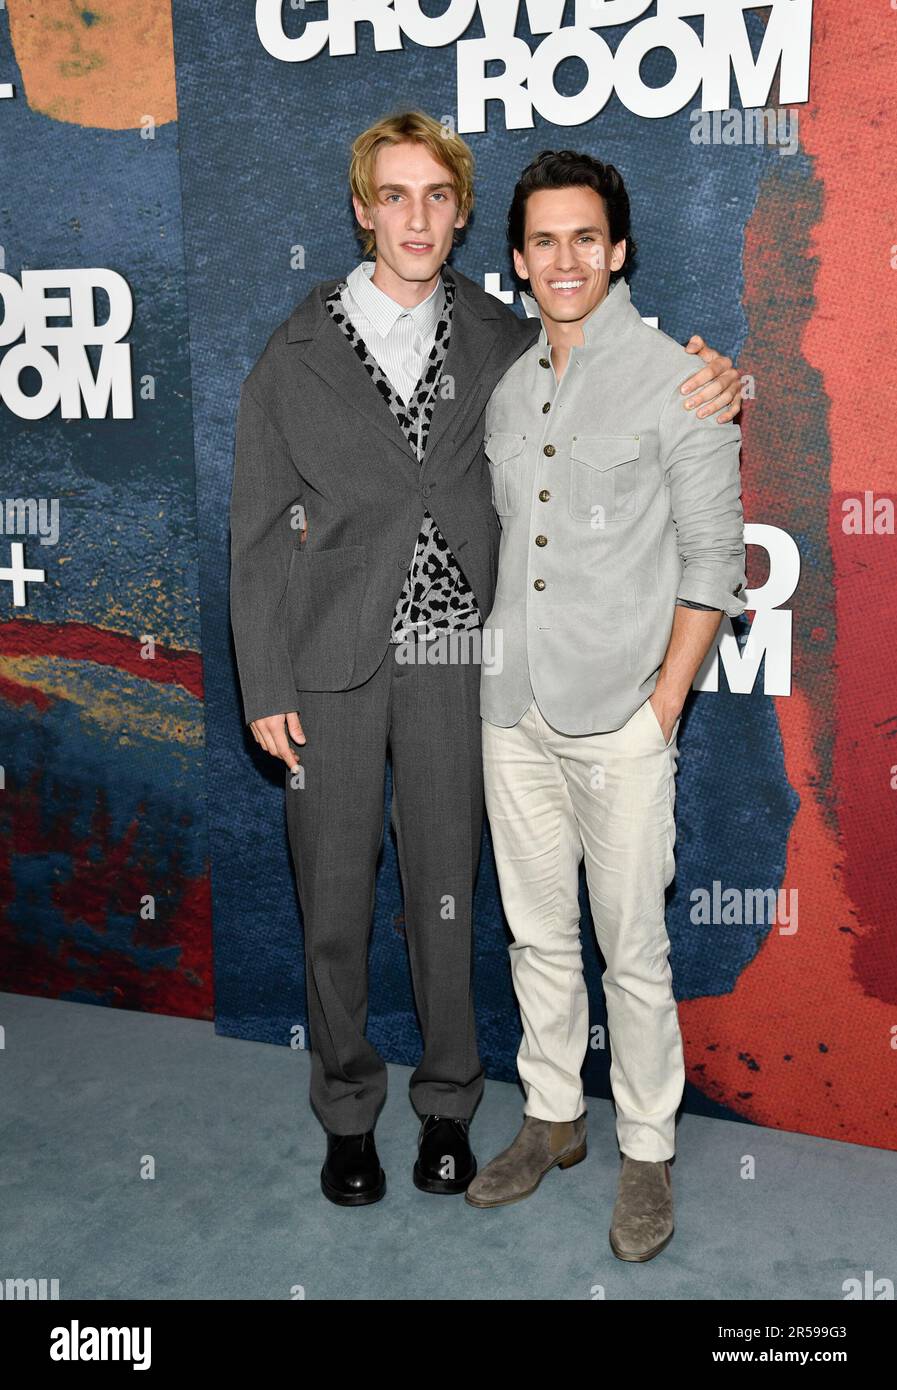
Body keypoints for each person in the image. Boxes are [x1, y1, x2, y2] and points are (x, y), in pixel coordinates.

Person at [228, 114, 743, 1207]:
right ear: (363, 208)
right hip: (326, 661)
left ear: (463, 218)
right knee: (332, 902)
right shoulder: (296, 349)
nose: (416, 217)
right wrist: (263, 682)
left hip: (461, 660)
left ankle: (450, 1105)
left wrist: (719, 378)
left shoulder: (501, 335)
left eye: (436, 197)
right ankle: (348, 1113)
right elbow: (261, 528)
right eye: (393, 195)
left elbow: (605, 360)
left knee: (447, 898)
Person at [465, 150, 747, 1263]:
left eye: (587, 237)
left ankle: (646, 1148)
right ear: (520, 260)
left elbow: (715, 558)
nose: (565, 258)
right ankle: (552, 1116)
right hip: (511, 707)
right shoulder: (508, 384)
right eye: (543, 240)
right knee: (537, 935)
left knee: (631, 947)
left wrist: (664, 704)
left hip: (624, 715)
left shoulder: (681, 380)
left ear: (619, 249)